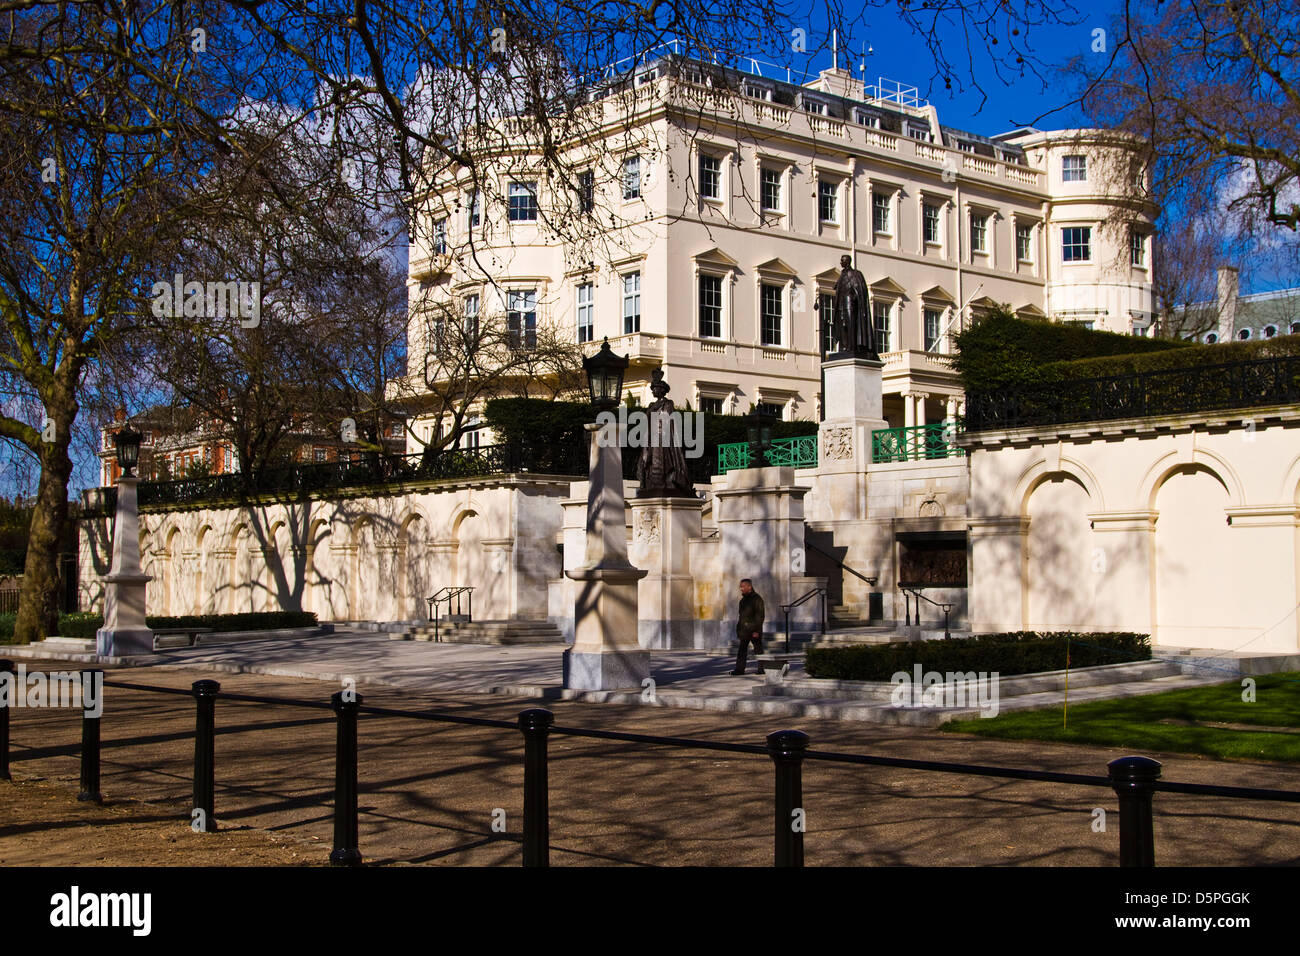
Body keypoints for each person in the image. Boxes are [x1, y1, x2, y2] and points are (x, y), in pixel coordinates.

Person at [730, 578, 766, 675]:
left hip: (754, 630)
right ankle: (739, 669)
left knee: (758, 649)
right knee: (742, 650)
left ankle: (762, 669)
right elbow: (741, 617)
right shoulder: (742, 601)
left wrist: (756, 631)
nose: (741, 588)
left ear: (749, 587)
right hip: (744, 631)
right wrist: (739, 629)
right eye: (740, 586)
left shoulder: (757, 599)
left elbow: (760, 616)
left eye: (743, 586)